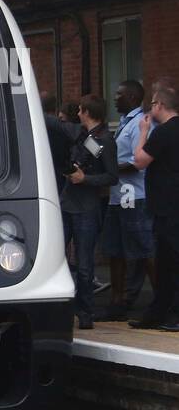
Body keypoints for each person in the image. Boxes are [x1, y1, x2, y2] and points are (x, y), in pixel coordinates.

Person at [62, 94, 117, 329]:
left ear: (87, 112)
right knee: (59, 258)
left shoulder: (104, 139)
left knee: (84, 263)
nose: (77, 114)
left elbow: (111, 176)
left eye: (81, 110)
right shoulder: (82, 136)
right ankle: (65, 308)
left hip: (86, 207)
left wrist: (85, 179)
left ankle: (85, 312)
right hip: (67, 203)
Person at [101, 80, 154, 320]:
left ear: (132, 97)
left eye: (119, 94)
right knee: (115, 249)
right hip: (118, 196)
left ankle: (165, 301)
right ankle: (118, 301)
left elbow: (137, 163)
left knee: (144, 249)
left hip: (134, 196)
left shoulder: (139, 124)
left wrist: (109, 169)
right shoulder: (125, 122)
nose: (114, 98)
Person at [132, 85, 179, 330]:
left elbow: (139, 161)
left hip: (166, 206)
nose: (150, 108)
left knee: (168, 261)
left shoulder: (162, 132)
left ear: (160, 105)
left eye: (152, 104)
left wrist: (143, 131)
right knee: (167, 261)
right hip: (172, 204)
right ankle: (161, 311)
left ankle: (167, 312)